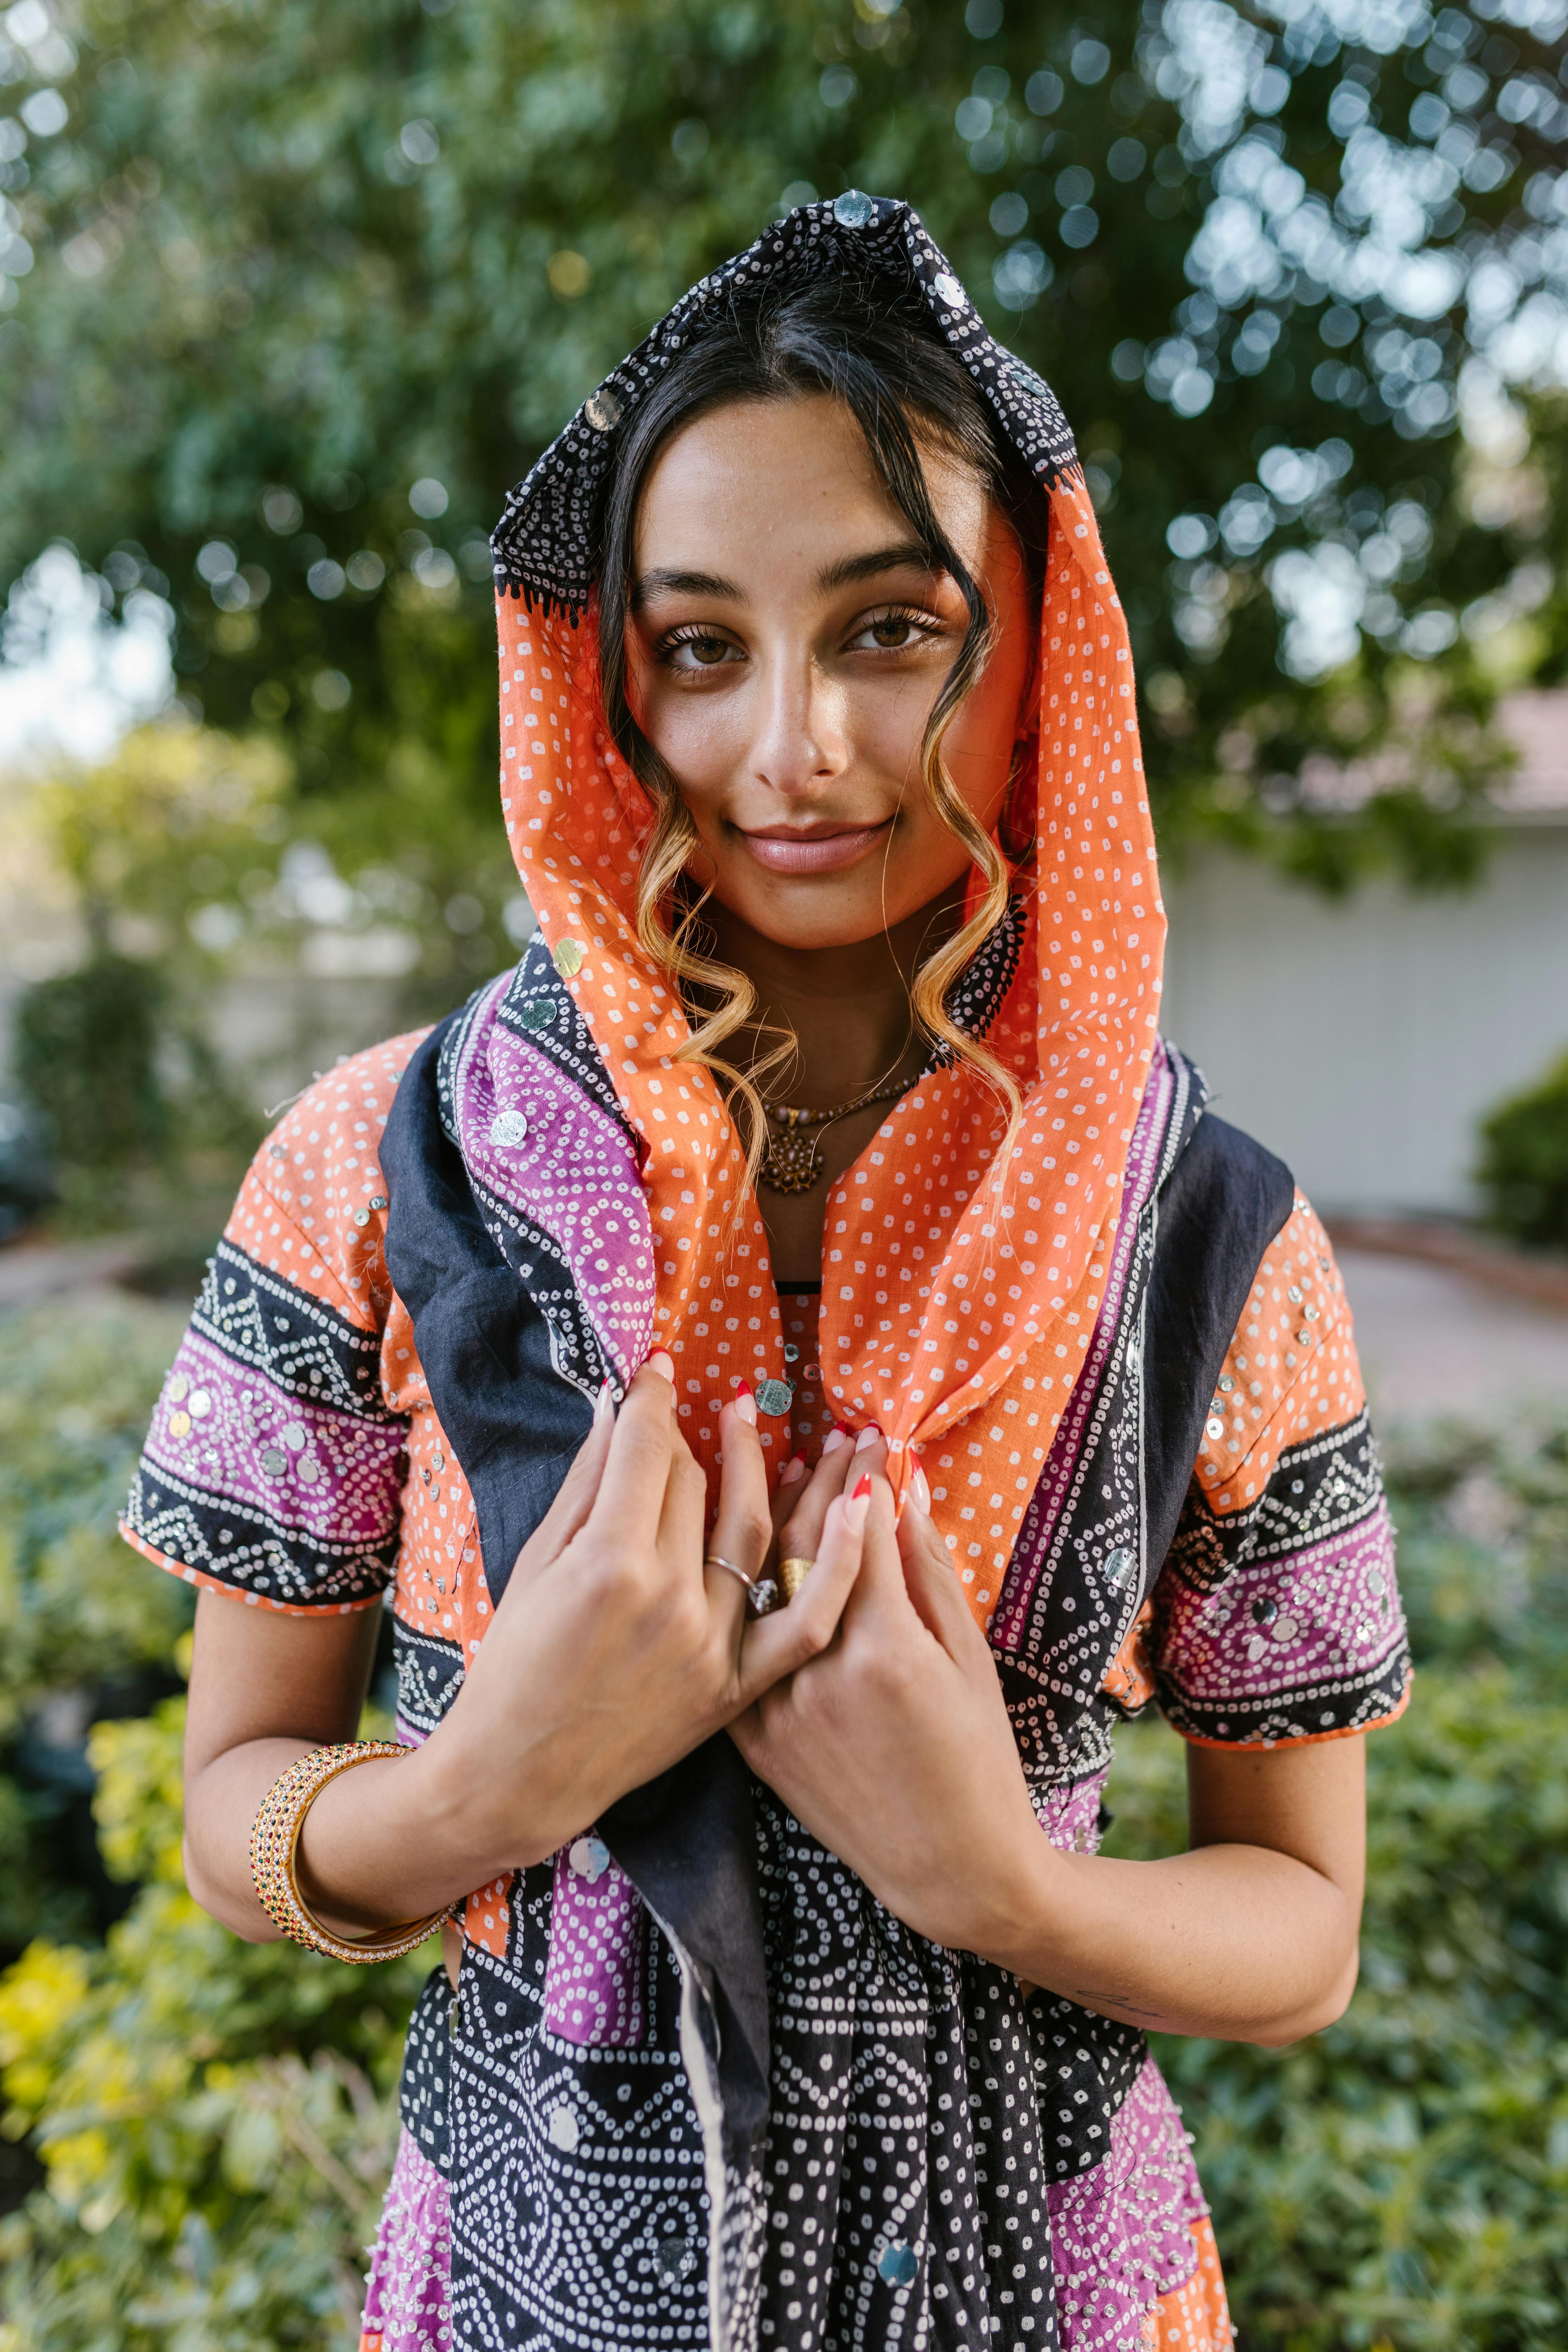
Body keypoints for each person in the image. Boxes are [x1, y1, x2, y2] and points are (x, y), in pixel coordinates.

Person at [123, 197, 1410, 2352]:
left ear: (1040, 652)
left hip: (1054, 2293)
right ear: (608, 676)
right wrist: (480, 1794)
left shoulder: (1205, 1229)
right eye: (703, 646)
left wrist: (998, 1883)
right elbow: (224, 1804)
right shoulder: (390, 1164)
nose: (792, 744)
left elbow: (1307, 1921)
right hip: (524, 2289)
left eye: (891, 630)